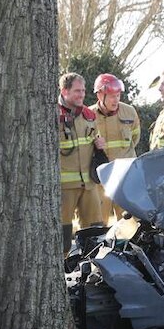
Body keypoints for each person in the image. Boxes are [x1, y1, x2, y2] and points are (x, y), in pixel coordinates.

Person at [57, 72, 106, 252]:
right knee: (61, 236)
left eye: (84, 91)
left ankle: (94, 272)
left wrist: (100, 145)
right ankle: (60, 273)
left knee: (96, 234)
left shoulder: (89, 116)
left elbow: (94, 140)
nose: (82, 95)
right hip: (63, 188)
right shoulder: (51, 116)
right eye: (77, 91)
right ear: (64, 91)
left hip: (89, 186)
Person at [89, 73, 140, 220]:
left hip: (125, 178)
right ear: (99, 95)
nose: (116, 99)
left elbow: (135, 138)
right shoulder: (88, 115)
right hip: (100, 179)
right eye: (111, 96)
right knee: (98, 223)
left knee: (130, 223)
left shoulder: (130, 112)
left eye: (118, 95)